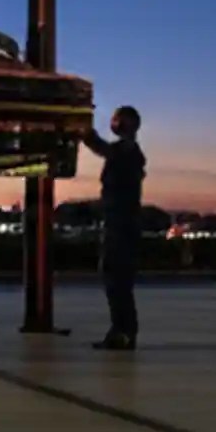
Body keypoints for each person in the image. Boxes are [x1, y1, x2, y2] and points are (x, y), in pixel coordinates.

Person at [82, 105, 147, 351]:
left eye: (116, 120)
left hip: (121, 223)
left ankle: (123, 332)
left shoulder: (125, 150)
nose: (113, 123)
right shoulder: (129, 151)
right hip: (120, 222)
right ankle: (121, 331)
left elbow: (102, 148)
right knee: (116, 279)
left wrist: (84, 132)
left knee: (117, 279)